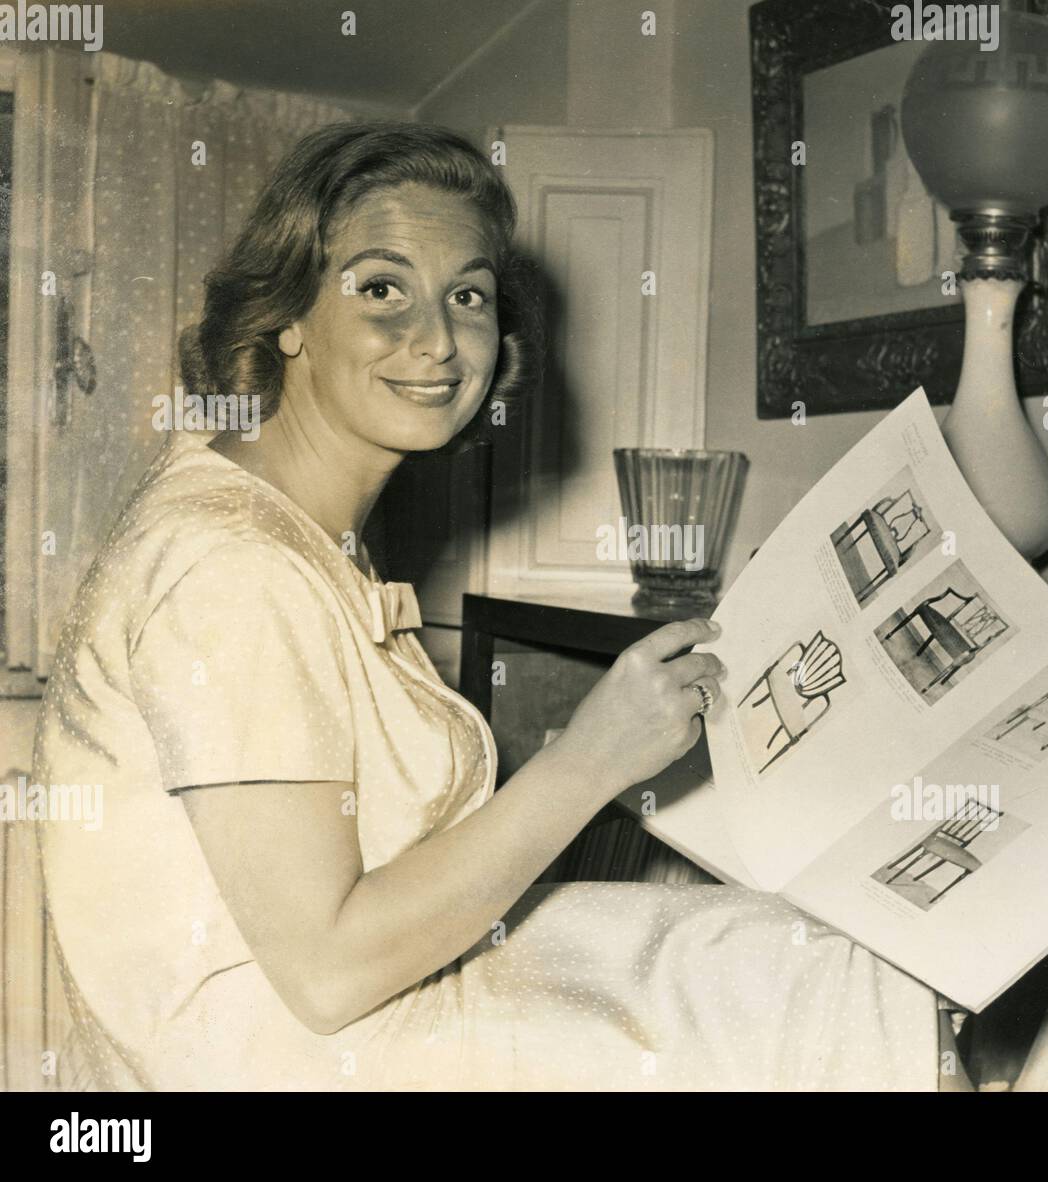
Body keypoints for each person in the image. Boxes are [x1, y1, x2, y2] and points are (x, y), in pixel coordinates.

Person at [35, 122, 941, 1091]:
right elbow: (329, 972)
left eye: (465, 295)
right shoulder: (232, 566)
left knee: (782, 952)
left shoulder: (275, 516)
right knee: (805, 1007)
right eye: (380, 288)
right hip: (277, 1058)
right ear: (289, 315)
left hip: (336, 1012)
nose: (434, 339)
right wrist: (589, 760)